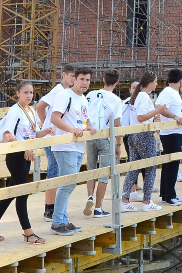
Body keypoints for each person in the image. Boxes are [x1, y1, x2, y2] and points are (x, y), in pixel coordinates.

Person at [0, 81, 50, 246]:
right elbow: (9, 134)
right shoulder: (14, 111)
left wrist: (44, 132)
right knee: (23, 193)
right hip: (16, 155)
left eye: (31, 92)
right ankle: (28, 232)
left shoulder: (31, 111)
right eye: (26, 92)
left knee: (11, 192)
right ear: (18, 93)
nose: (29, 95)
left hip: (26, 155)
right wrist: (24, 148)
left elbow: (32, 134)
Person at [49, 67, 96, 234]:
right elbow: (54, 118)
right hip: (64, 146)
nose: (85, 83)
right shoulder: (64, 95)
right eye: (82, 79)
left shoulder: (83, 99)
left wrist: (89, 126)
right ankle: (57, 222)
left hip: (77, 146)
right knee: (68, 184)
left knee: (70, 184)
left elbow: (83, 120)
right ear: (74, 79)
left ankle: (64, 220)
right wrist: (71, 130)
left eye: (88, 80)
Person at [121, 72, 167, 212]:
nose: (157, 84)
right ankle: (147, 201)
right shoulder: (144, 96)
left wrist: (153, 118)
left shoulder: (137, 95)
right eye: (155, 81)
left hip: (133, 135)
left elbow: (139, 117)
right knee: (151, 168)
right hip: (143, 135)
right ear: (150, 82)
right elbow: (141, 117)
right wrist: (157, 111)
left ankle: (124, 200)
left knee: (134, 168)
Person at [36, 64, 76, 222]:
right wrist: (45, 123)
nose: (73, 79)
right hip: (51, 137)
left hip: (58, 136)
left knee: (58, 170)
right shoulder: (58, 91)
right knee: (54, 171)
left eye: (75, 76)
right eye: (71, 76)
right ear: (64, 75)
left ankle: (54, 208)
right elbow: (40, 106)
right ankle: (49, 209)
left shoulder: (68, 93)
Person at [84, 69, 124, 218]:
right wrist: (118, 145)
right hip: (105, 137)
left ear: (103, 79)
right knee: (104, 174)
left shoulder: (90, 94)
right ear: (117, 82)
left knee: (91, 170)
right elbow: (117, 124)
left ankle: (90, 197)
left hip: (90, 134)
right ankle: (98, 208)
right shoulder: (115, 99)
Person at [156, 68, 182, 206]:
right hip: (171, 132)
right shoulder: (168, 92)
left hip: (176, 132)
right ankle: (170, 195)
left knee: (169, 163)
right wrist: (174, 117)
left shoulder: (174, 92)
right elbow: (160, 107)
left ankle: (166, 193)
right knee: (172, 164)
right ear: (181, 81)